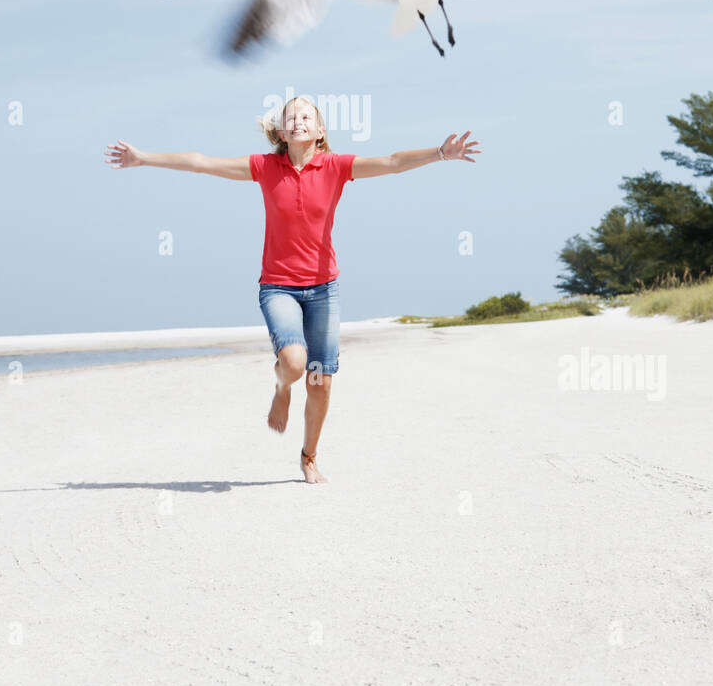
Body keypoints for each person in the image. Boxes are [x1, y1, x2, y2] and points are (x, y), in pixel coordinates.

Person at [105, 96, 481, 483]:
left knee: (320, 382)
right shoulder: (265, 168)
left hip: (323, 290)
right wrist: (143, 157)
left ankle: (308, 456)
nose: (299, 120)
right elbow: (201, 162)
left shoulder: (336, 167)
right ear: (283, 133)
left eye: (307, 116)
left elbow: (392, 162)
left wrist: (441, 152)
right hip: (278, 287)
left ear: (320, 133)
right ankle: (282, 387)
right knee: (296, 364)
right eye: (291, 117)